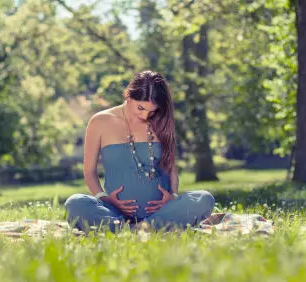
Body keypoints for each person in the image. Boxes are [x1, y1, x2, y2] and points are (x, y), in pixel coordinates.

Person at [64, 70, 215, 232]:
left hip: (161, 212)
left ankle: (135, 229)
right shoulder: (100, 121)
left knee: (205, 199)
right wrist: (104, 198)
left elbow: (171, 167)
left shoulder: (161, 121)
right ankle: (138, 229)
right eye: (140, 108)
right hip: (115, 212)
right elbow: (89, 171)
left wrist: (173, 196)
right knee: (75, 203)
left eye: (152, 111)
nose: (145, 115)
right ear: (128, 95)